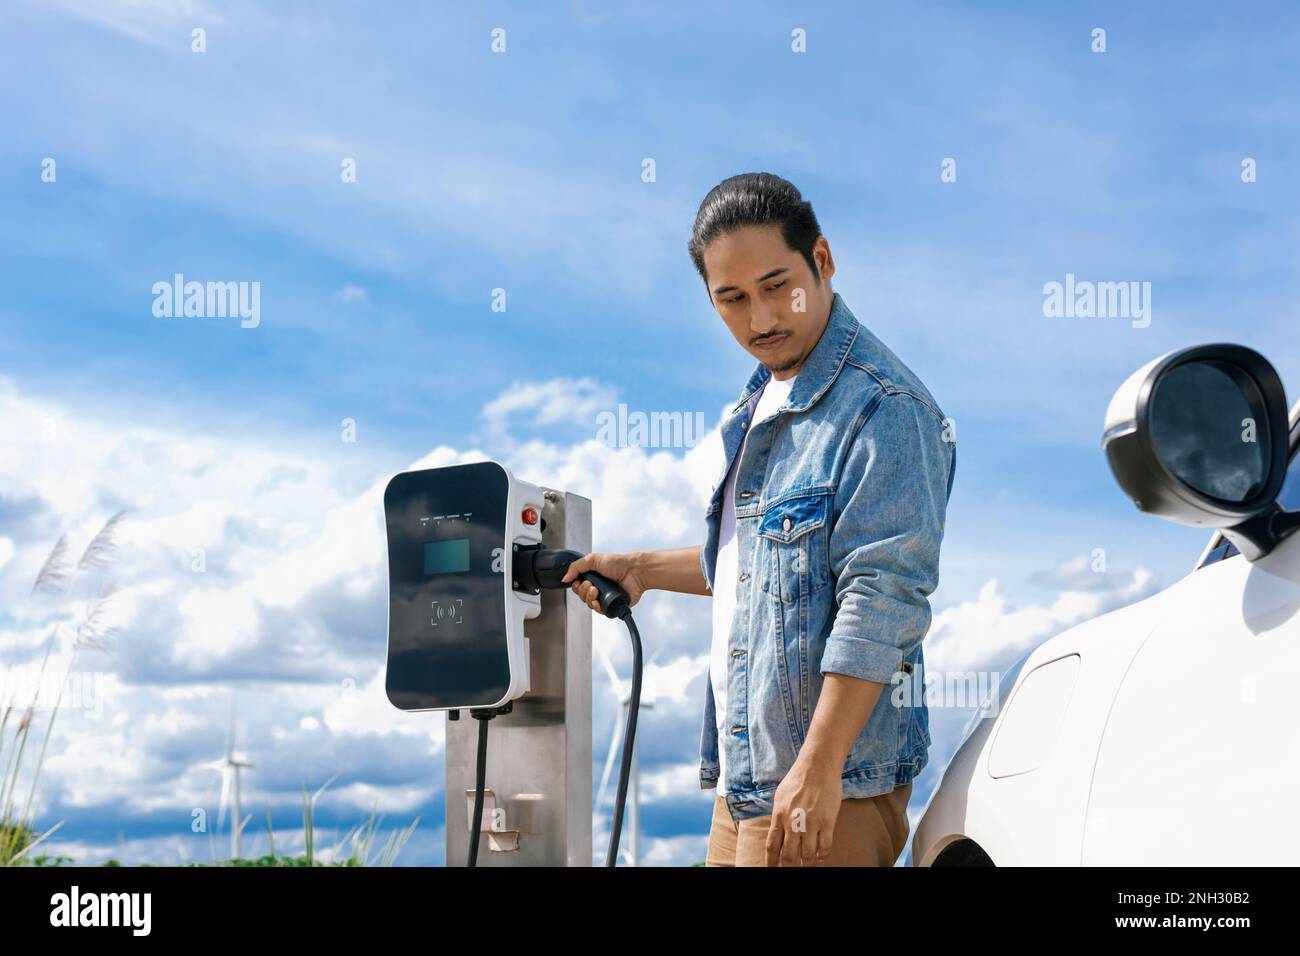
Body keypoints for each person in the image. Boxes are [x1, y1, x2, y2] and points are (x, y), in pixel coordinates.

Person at [563, 171, 956, 867]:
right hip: (745, 783)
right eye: (732, 299)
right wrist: (644, 569)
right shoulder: (756, 408)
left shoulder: (884, 407)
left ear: (822, 260)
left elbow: (881, 598)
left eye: (778, 287)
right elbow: (767, 573)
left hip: (827, 787)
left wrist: (818, 768)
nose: (760, 319)